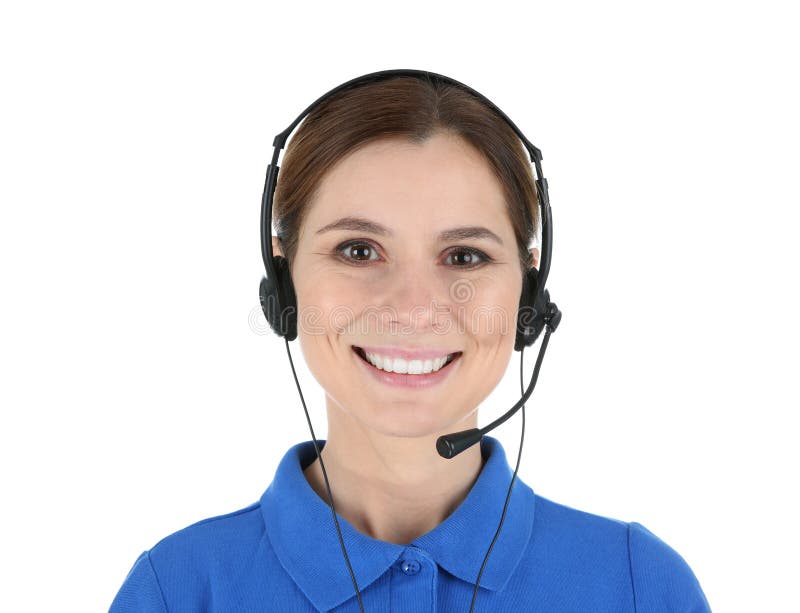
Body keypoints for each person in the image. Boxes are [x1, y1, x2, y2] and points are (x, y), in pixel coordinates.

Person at [109, 71, 712, 612]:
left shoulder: (638, 586)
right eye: (359, 250)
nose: (414, 308)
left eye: (464, 256)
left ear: (528, 296)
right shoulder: (179, 590)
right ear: (283, 281)